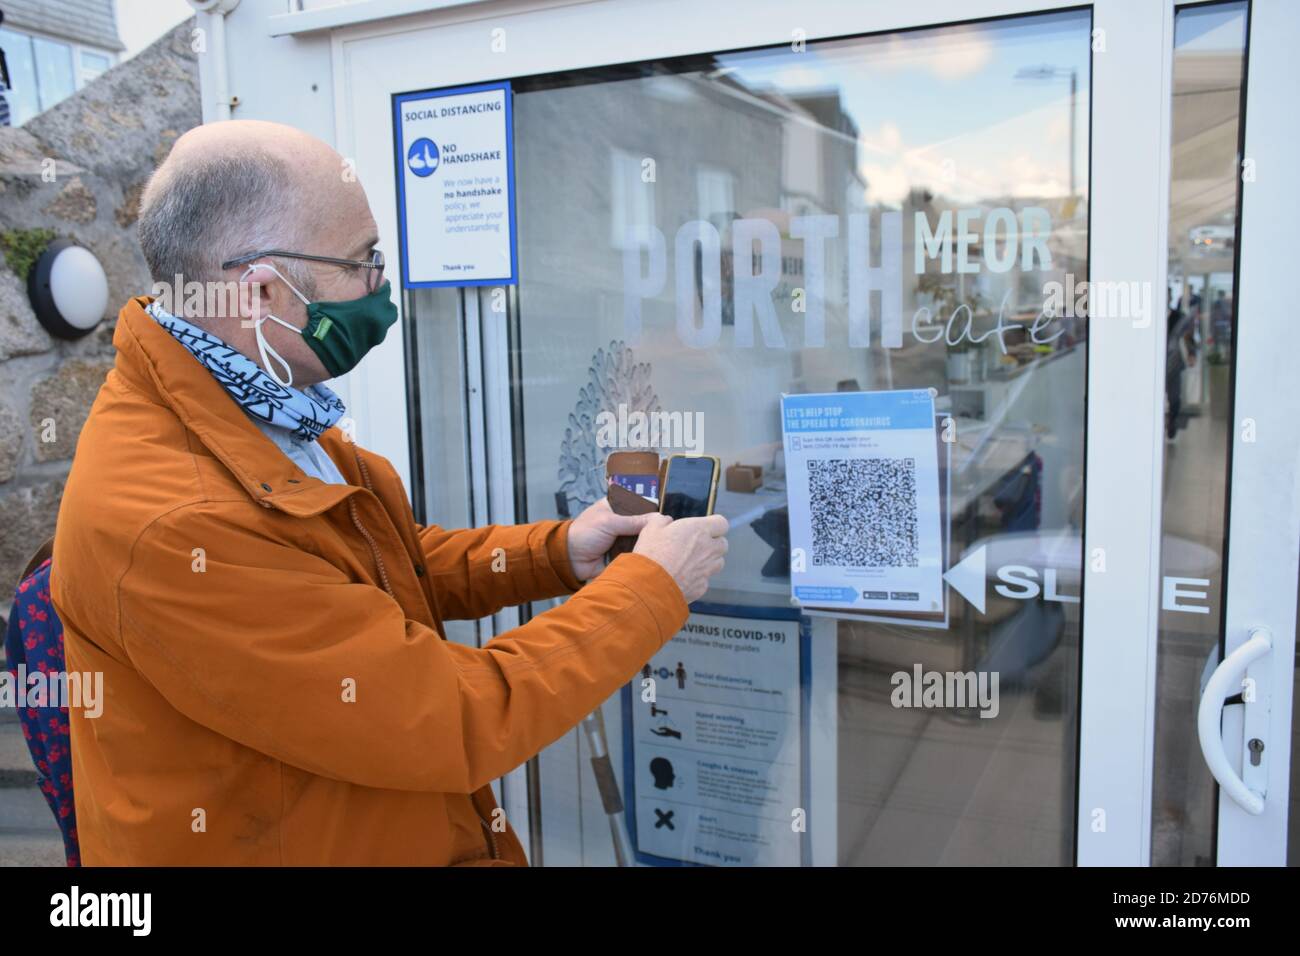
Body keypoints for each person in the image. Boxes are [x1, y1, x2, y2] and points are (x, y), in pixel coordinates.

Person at [51, 119, 729, 865]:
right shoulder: (180, 521)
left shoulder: (253, 401)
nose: (379, 286)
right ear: (264, 291)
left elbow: (365, 571)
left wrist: (557, 552)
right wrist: (650, 590)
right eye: (362, 261)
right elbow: (449, 718)